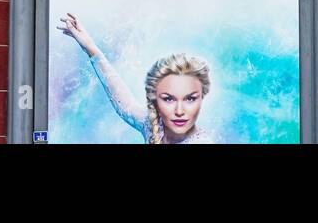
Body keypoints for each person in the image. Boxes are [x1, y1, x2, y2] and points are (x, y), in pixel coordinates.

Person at [58, 12, 215, 144]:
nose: (179, 111)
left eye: (190, 99)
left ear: (201, 98)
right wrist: (92, 49)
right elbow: (124, 104)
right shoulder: (153, 126)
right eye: (169, 99)